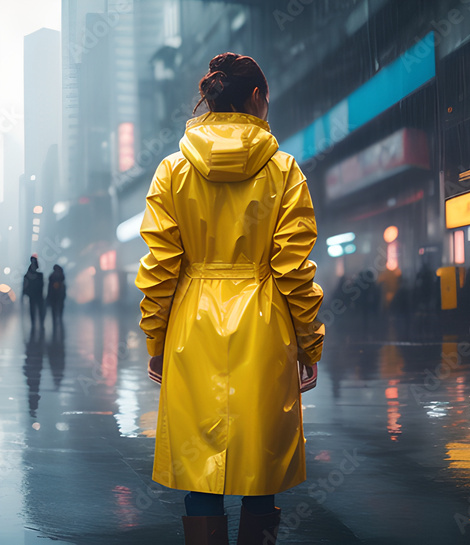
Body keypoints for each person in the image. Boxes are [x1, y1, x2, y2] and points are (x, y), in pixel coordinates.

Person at [136, 52, 324, 545]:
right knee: (260, 465)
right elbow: (294, 269)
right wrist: (310, 342)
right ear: (258, 98)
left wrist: (156, 339)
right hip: (265, 327)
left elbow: (159, 268)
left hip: (191, 328)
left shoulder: (173, 170)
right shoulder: (284, 171)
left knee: (201, 467)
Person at [22, 256, 45, 333]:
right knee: (34, 310)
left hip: (36, 296)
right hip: (34, 296)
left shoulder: (35, 275)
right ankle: (36, 324)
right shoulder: (30, 275)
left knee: (37, 310)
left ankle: (38, 324)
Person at [46, 264, 66, 330]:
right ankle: (59, 321)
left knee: (54, 311)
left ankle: (55, 322)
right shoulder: (61, 277)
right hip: (60, 297)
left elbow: (49, 289)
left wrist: (49, 297)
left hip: (53, 297)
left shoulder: (52, 277)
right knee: (59, 310)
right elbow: (63, 289)